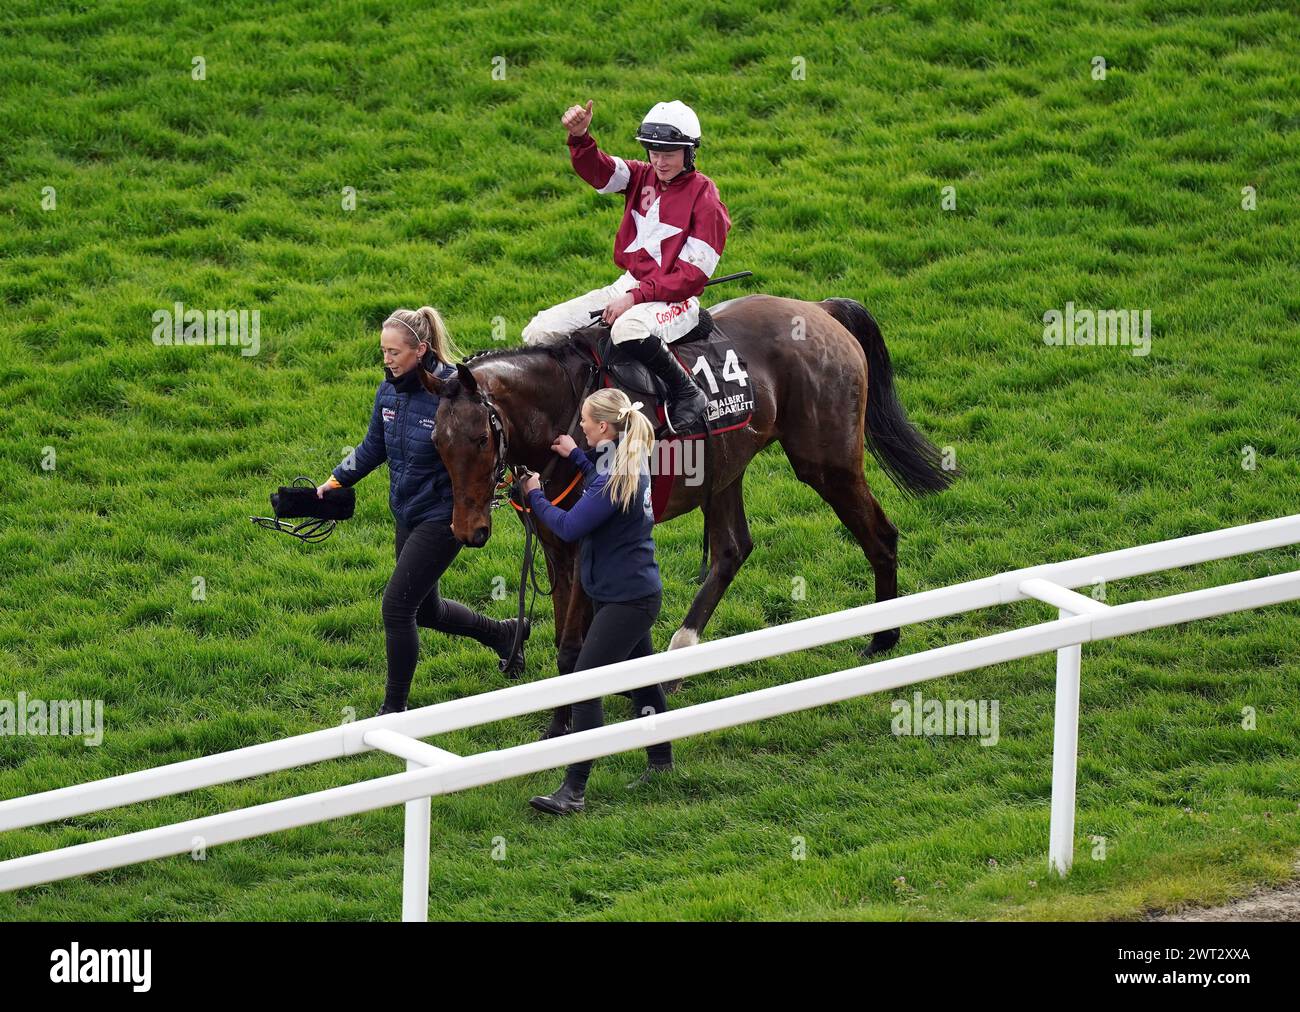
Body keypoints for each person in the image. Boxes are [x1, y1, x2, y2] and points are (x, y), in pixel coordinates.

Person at [317, 307, 529, 716]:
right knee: (426, 610)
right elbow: (372, 448)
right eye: (383, 351)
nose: (387, 360)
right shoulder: (389, 391)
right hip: (406, 511)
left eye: (395, 352)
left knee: (397, 607)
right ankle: (505, 634)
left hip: (444, 517)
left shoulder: (454, 393)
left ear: (421, 350)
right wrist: (336, 480)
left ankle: (394, 710)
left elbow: (484, 451)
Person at [522, 98, 731, 436]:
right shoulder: (641, 174)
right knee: (540, 330)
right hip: (630, 285)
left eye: (669, 154)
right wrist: (580, 137)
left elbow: (691, 278)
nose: (659, 162)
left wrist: (635, 297)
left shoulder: (706, 198)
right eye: (654, 152)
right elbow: (600, 171)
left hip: (676, 299)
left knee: (627, 329)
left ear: (689, 153)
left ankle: (688, 393)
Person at [521, 388, 674, 814]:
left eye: (586, 421)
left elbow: (569, 527)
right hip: (630, 593)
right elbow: (600, 484)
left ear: (603, 427)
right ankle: (661, 763)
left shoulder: (612, 477)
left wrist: (534, 495)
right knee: (643, 677)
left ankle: (574, 791)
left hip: (626, 601)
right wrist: (577, 457)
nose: (581, 426)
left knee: (585, 686)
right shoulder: (626, 459)